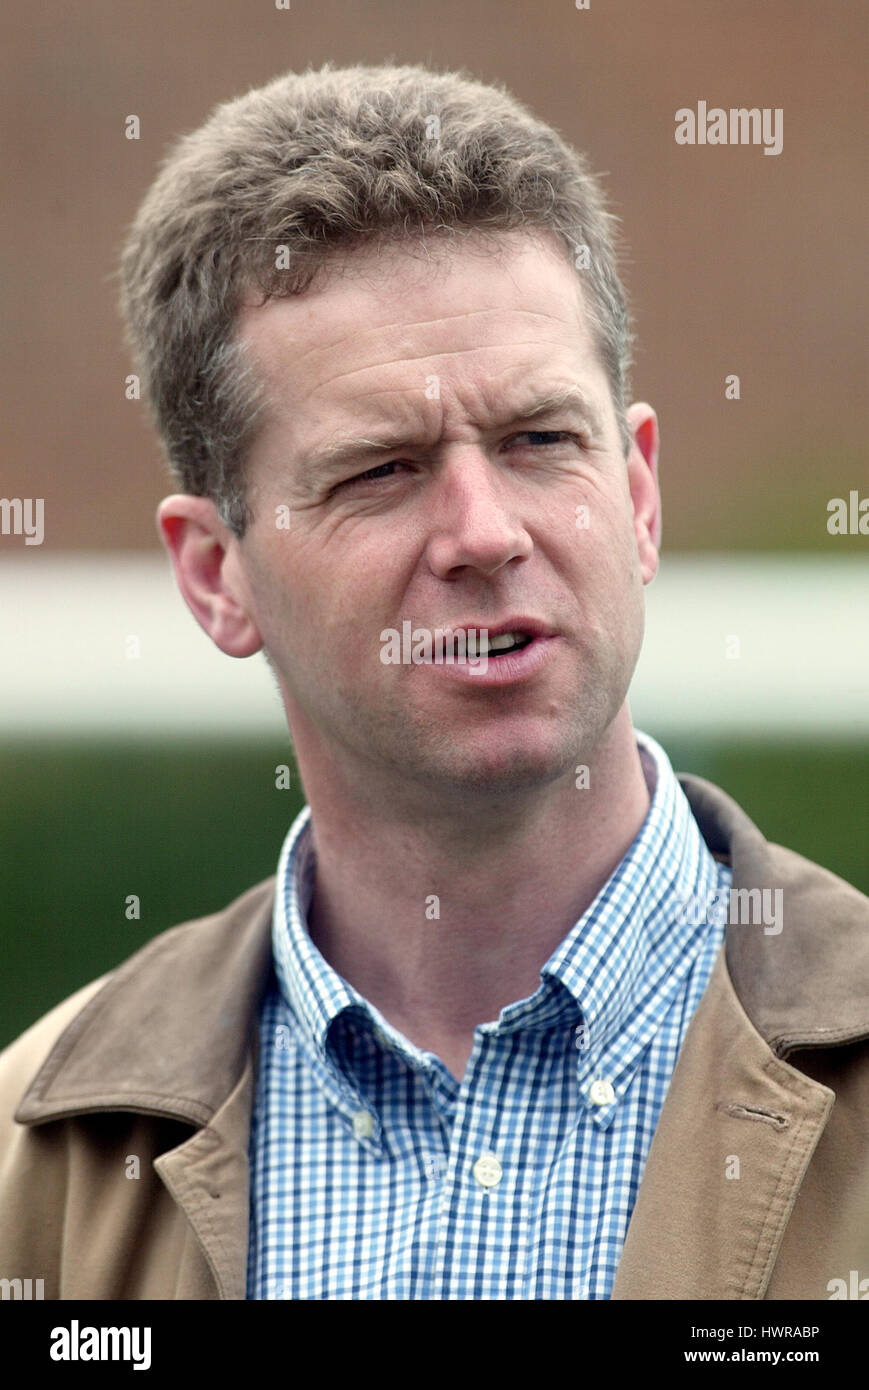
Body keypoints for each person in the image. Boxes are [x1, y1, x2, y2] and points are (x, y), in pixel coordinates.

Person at [1, 63, 867, 1303]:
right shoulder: (42, 1161)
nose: (482, 530)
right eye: (381, 471)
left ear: (636, 495)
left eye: (537, 441)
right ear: (214, 576)